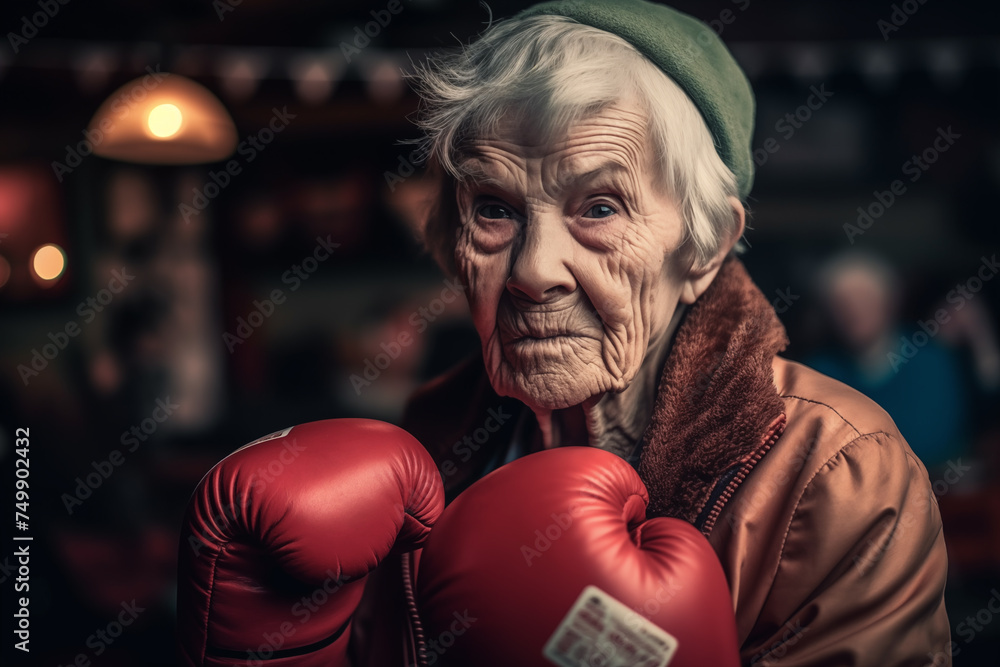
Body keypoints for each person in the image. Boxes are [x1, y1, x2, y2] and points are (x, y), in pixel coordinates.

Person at [357, 1, 951, 665]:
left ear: (702, 248)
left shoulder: (839, 473)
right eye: (494, 208)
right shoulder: (423, 448)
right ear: (450, 240)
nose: (533, 272)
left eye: (600, 207)